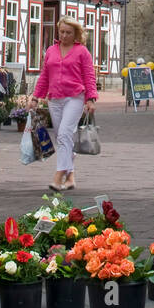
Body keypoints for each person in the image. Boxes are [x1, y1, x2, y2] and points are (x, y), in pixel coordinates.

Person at [30, 17, 97, 194]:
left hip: (75, 97)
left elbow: (89, 76)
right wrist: (36, 96)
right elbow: (45, 76)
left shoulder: (82, 52)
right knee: (62, 137)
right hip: (55, 99)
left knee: (65, 134)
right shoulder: (51, 51)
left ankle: (59, 175)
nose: (65, 35)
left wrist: (91, 98)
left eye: (69, 32)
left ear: (76, 34)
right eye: (62, 32)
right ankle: (71, 176)